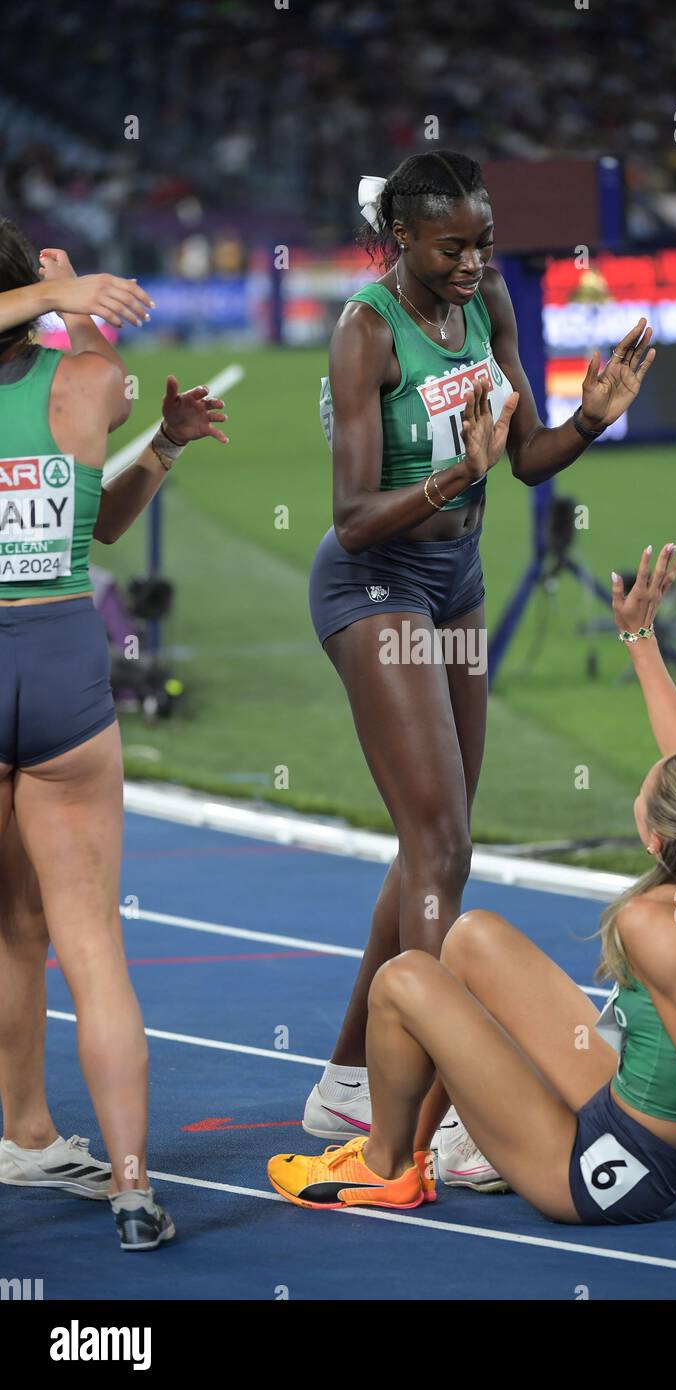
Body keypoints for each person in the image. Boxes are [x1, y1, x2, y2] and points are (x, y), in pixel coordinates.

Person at [269, 541, 676, 1249]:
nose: (650, 779)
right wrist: (640, 638)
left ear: (653, 839)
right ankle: (420, 1154)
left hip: (597, 1175)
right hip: (638, 1106)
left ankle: (385, 1166)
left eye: (643, 790)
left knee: (401, 980)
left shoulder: (651, 923)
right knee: (470, 936)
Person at [305, 149, 655, 1188]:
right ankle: (434, 1112)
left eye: (482, 244)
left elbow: (528, 456)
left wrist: (588, 419)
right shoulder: (367, 332)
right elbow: (351, 518)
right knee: (441, 841)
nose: (471, 263)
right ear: (402, 238)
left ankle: (349, 1078)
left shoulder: (489, 302)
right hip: (376, 583)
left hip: (455, 581)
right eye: (450, 247)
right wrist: (453, 474)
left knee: (434, 840)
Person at [0, 226, 228, 1249]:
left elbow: (104, 521)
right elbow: (93, 508)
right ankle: (129, 1188)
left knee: (13, 929)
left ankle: (27, 1135)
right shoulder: (89, 381)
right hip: (62, 668)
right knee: (87, 945)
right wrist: (74, 298)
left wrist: (166, 448)